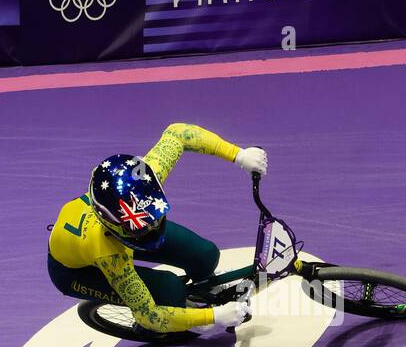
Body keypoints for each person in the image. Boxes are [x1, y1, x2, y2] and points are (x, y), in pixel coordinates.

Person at [47, 123, 268, 333]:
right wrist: (212, 317)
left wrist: (239, 155)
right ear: (113, 224)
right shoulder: (108, 253)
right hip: (74, 272)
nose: (153, 229)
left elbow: (178, 134)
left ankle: (201, 291)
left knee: (205, 255)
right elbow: (149, 315)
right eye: (143, 228)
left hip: (119, 236)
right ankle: (172, 319)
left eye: (155, 218)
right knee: (169, 290)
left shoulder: (144, 177)